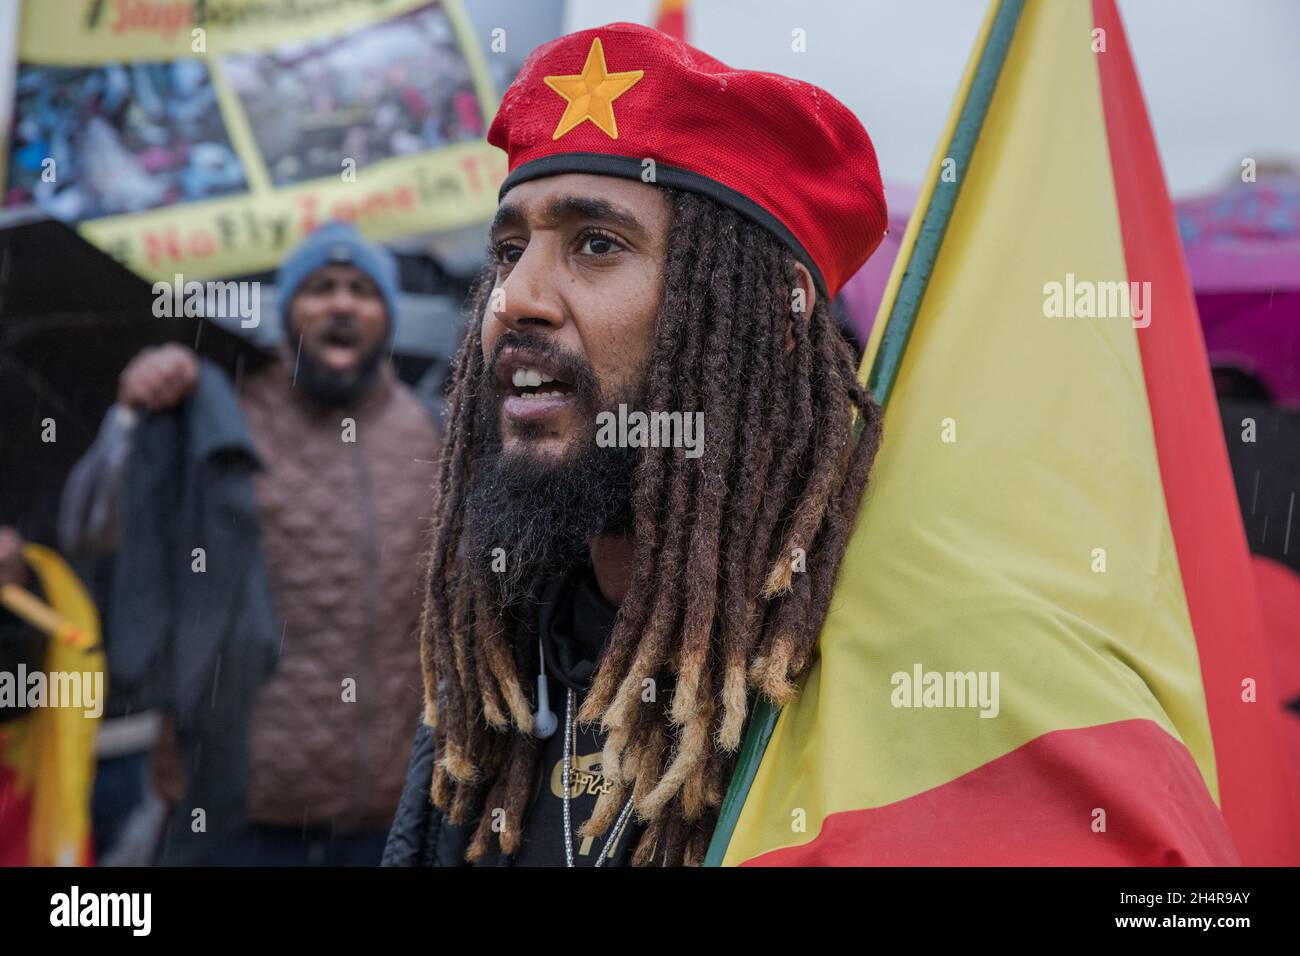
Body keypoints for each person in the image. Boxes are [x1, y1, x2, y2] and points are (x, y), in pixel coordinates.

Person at [383, 22, 887, 866]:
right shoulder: (497, 678)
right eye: (510, 250)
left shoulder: (883, 670)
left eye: (597, 244)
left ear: (776, 308)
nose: (514, 299)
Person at [67, 222, 440, 865]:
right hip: (239, 816)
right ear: (287, 310)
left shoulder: (436, 432)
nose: (341, 304)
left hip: (390, 820)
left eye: (361, 289)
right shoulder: (216, 411)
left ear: (387, 315)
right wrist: (132, 417)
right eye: (321, 287)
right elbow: (93, 528)